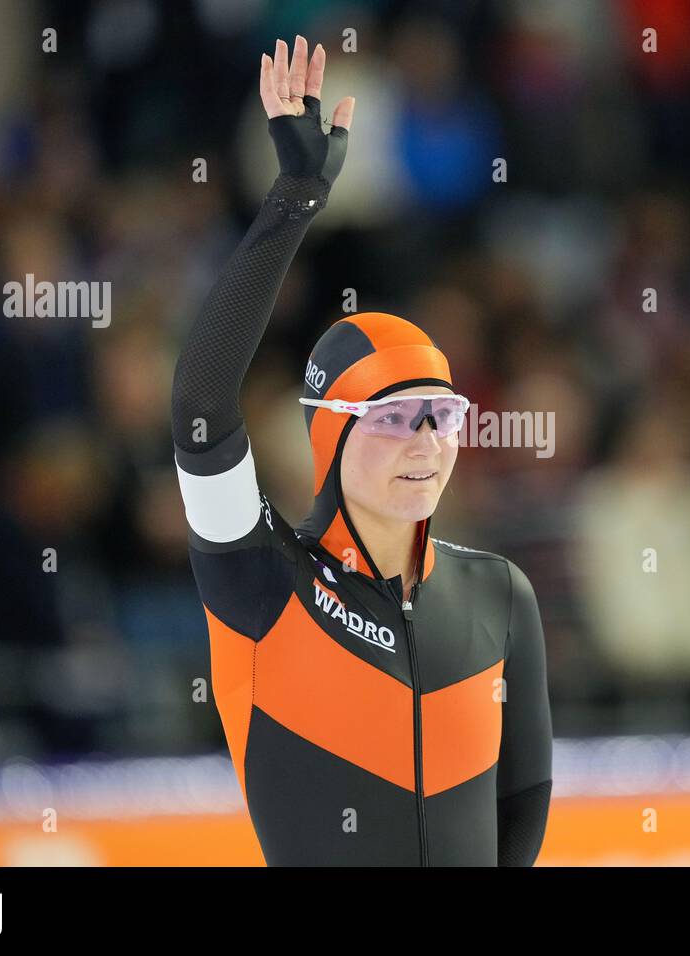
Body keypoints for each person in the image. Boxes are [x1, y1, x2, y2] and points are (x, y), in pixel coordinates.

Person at [170, 35, 552, 866]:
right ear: (331, 430)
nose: (427, 443)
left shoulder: (499, 594)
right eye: (393, 416)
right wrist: (296, 198)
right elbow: (201, 405)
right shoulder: (262, 578)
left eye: (441, 417)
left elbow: (524, 798)